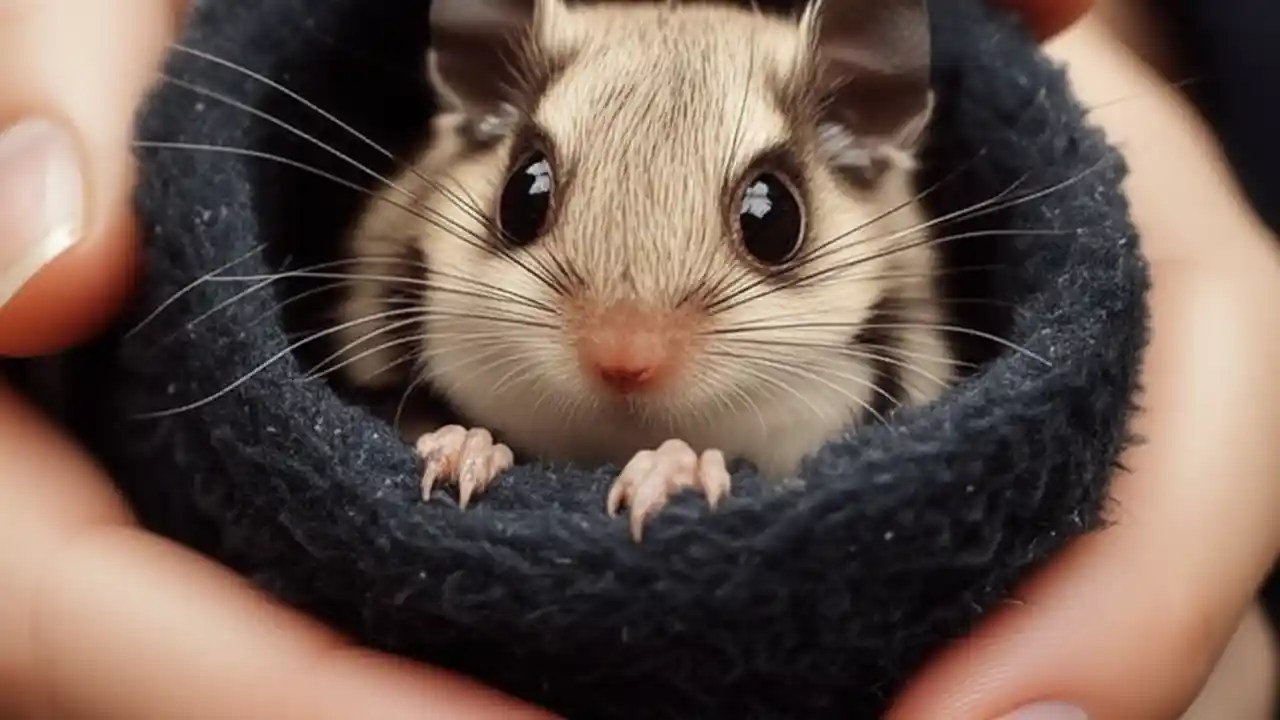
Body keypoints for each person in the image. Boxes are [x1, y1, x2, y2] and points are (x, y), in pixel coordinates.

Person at [0, 0, 1274, 717]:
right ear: (477, 86)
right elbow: (359, 370)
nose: (621, 343)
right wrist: (435, 437)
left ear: (867, 119)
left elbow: (898, 427)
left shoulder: (883, 309)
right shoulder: (416, 261)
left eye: (764, 225)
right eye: (531, 199)